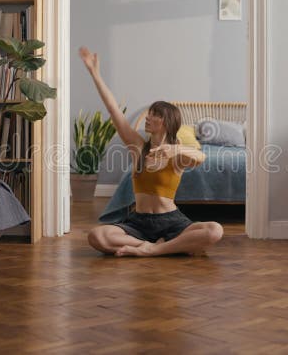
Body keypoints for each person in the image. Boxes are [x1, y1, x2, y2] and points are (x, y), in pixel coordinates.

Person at [80, 47, 224, 257]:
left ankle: (153, 249)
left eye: (154, 115)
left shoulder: (177, 154)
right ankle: (163, 247)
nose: (148, 117)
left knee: (214, 231)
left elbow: (200, 157)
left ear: (167, 122)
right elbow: (113, 110)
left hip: (172, 221)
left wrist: (172, 149)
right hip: (138, 222)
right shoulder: (138, 147)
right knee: (97, 236)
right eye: (149, 113)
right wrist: (95, 74)